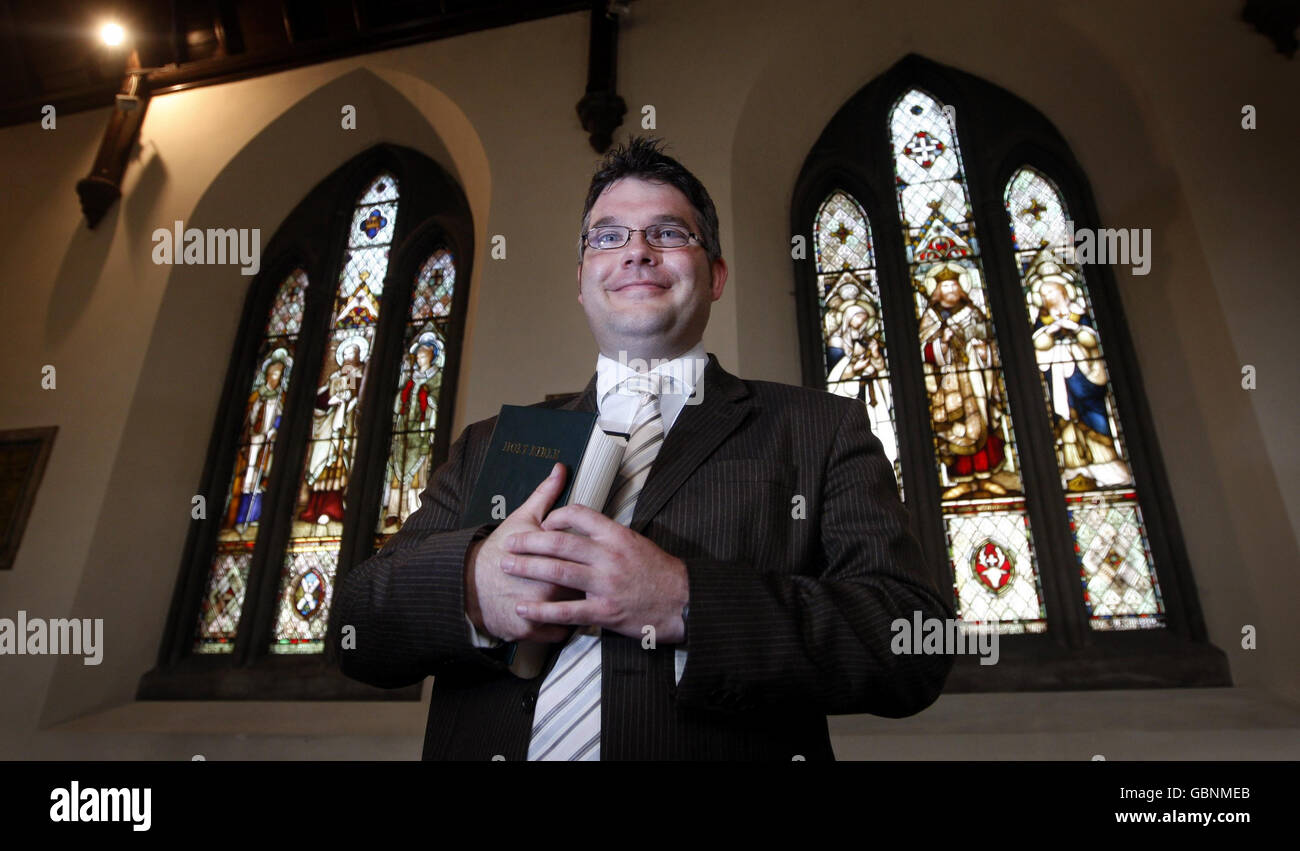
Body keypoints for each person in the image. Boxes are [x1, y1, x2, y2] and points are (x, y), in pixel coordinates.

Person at [333, 136, 953, 760]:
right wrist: (471, 587)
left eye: (669, 233)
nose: (636, 252)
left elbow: (912, 641)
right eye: (607, 237)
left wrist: (688, 602)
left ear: (714, 275)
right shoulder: (485, 443)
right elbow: (356, 629)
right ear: (581, 280)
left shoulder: (821, 429)